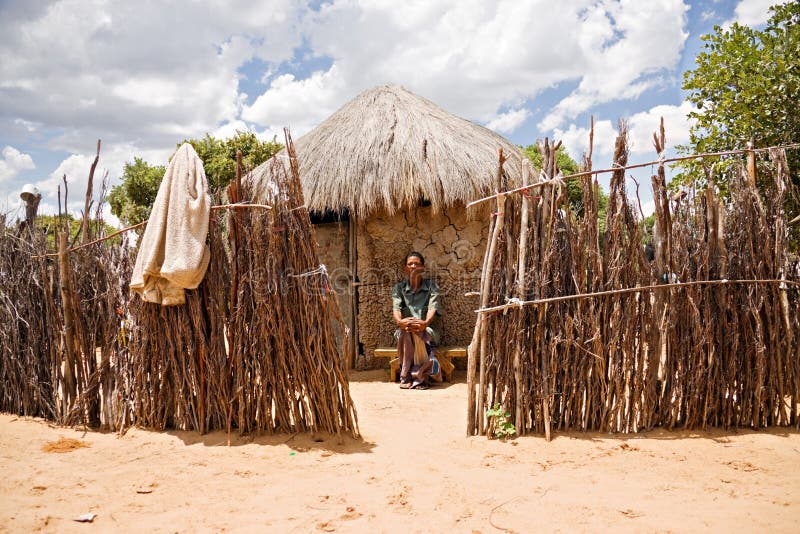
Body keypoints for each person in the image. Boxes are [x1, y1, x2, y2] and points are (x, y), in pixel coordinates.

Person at [392, 252, 443, 389]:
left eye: (417, 264)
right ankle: (420, 377)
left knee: (417, 332)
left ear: (423, 267)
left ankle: (407, 376)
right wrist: (400, 322)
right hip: (404, 329)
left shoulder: (432, 287)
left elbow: (432, 309)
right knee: (406, 331)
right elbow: (396, 309)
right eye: (410, 264)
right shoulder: (399, 288)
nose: (413, 266)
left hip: (428, 330)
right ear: (405, 268)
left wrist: (425, 323)